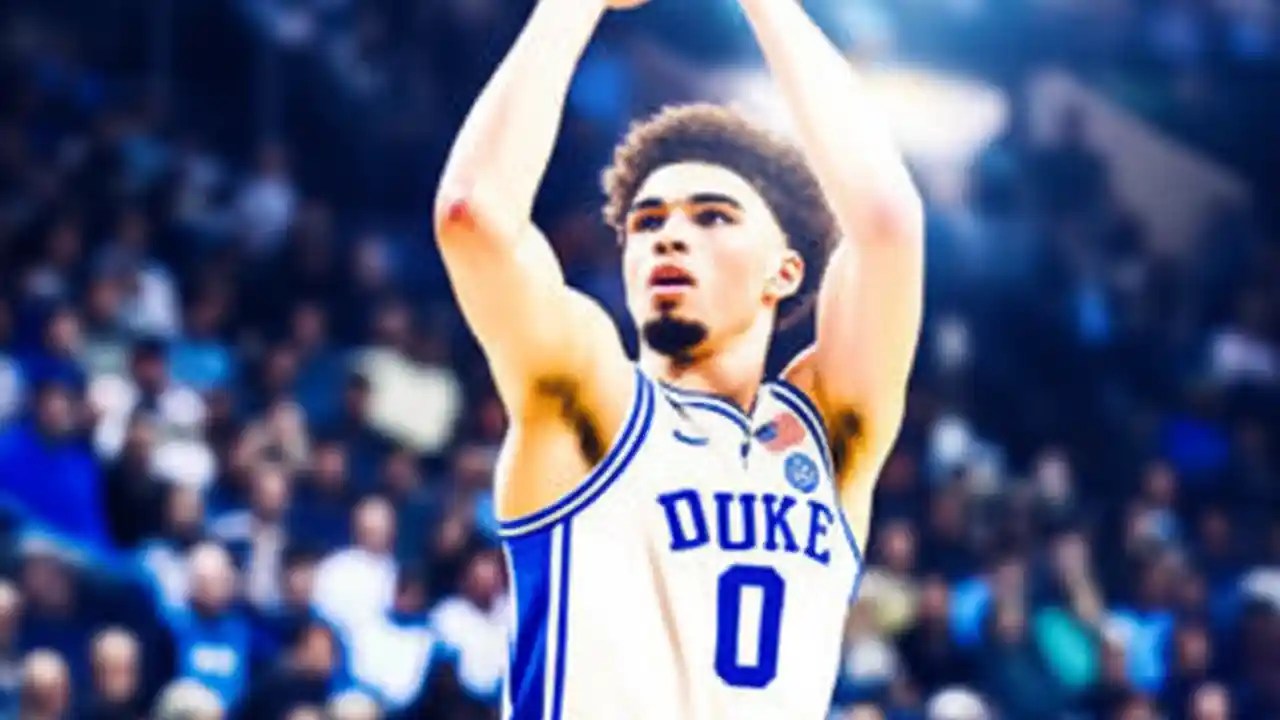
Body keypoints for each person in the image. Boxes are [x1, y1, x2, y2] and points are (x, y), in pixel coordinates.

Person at [434, 0, 922, 715]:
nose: (668, 237)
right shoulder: (594, 405)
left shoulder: (827, 432)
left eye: (712, 216)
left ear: (783, 271)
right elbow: (473, 214)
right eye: (647, 222)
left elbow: (886, 222)